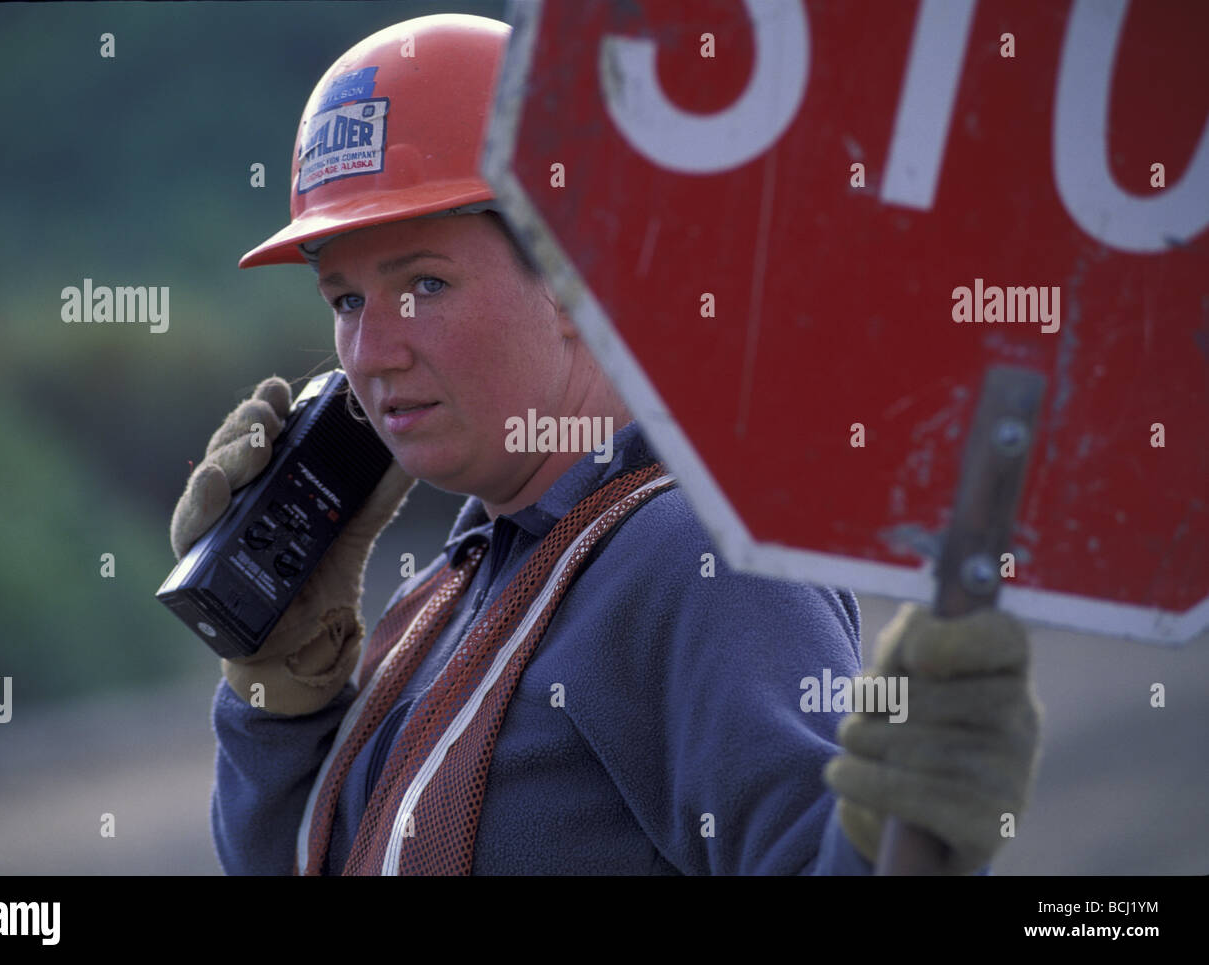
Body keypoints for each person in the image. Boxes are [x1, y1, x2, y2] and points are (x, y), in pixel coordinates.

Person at [169, 13, 1042, 875]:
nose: (370, 352)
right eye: (346, 300)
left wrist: (884, 845)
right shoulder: (449, 589)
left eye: (424, 283)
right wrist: (281, 695)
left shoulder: (694, 558)